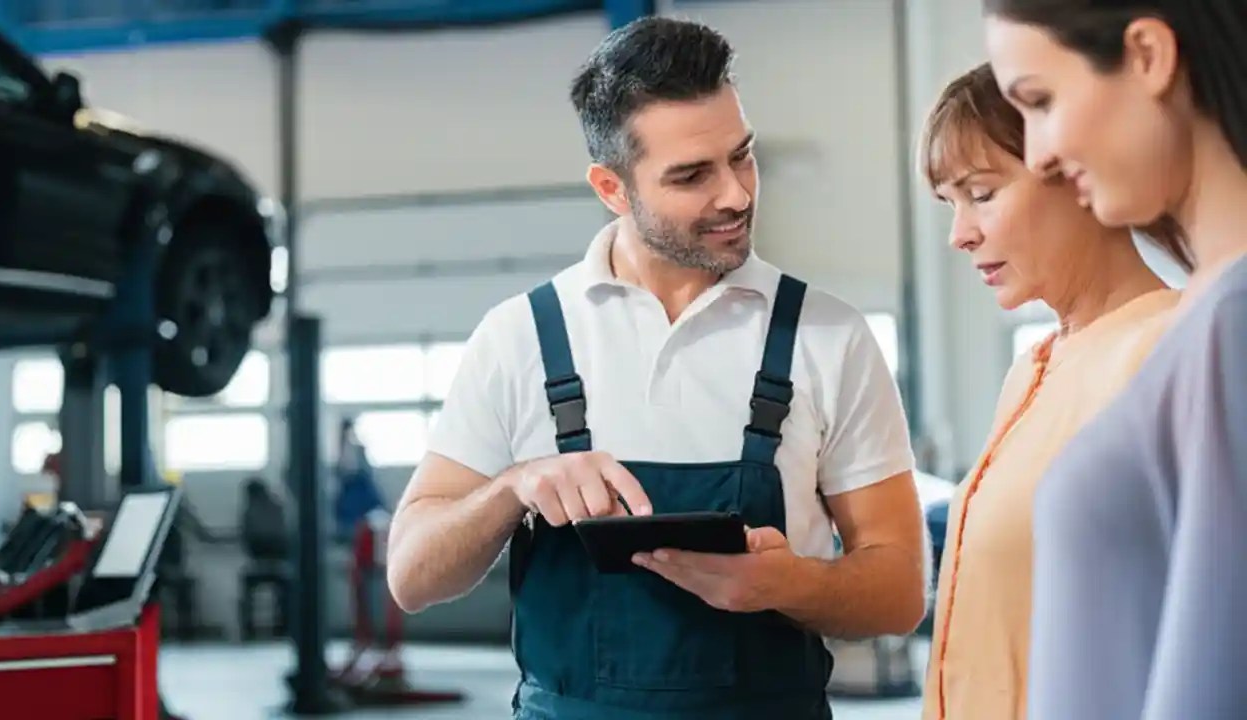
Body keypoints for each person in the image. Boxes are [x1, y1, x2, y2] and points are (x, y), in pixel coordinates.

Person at [386, 16, 926, 720]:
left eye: (743, 155)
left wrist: (785, 584)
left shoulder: (828, 338)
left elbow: (899, 588)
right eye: (692, 176)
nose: (735, 193)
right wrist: (515, 487)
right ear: (612, 188)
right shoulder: (518, 338)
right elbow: (411, 575)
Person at [982, 2, 1247, 718]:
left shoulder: (1230, 323)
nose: (1035, 153)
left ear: (1149, 56)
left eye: (1040, 101)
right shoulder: (1209, 314)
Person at [915, 62, 1185, 720]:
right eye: (950, 204)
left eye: (981, 193)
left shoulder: (1167, 348)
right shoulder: (1033, 368)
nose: (960, 234)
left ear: (1075, 173)